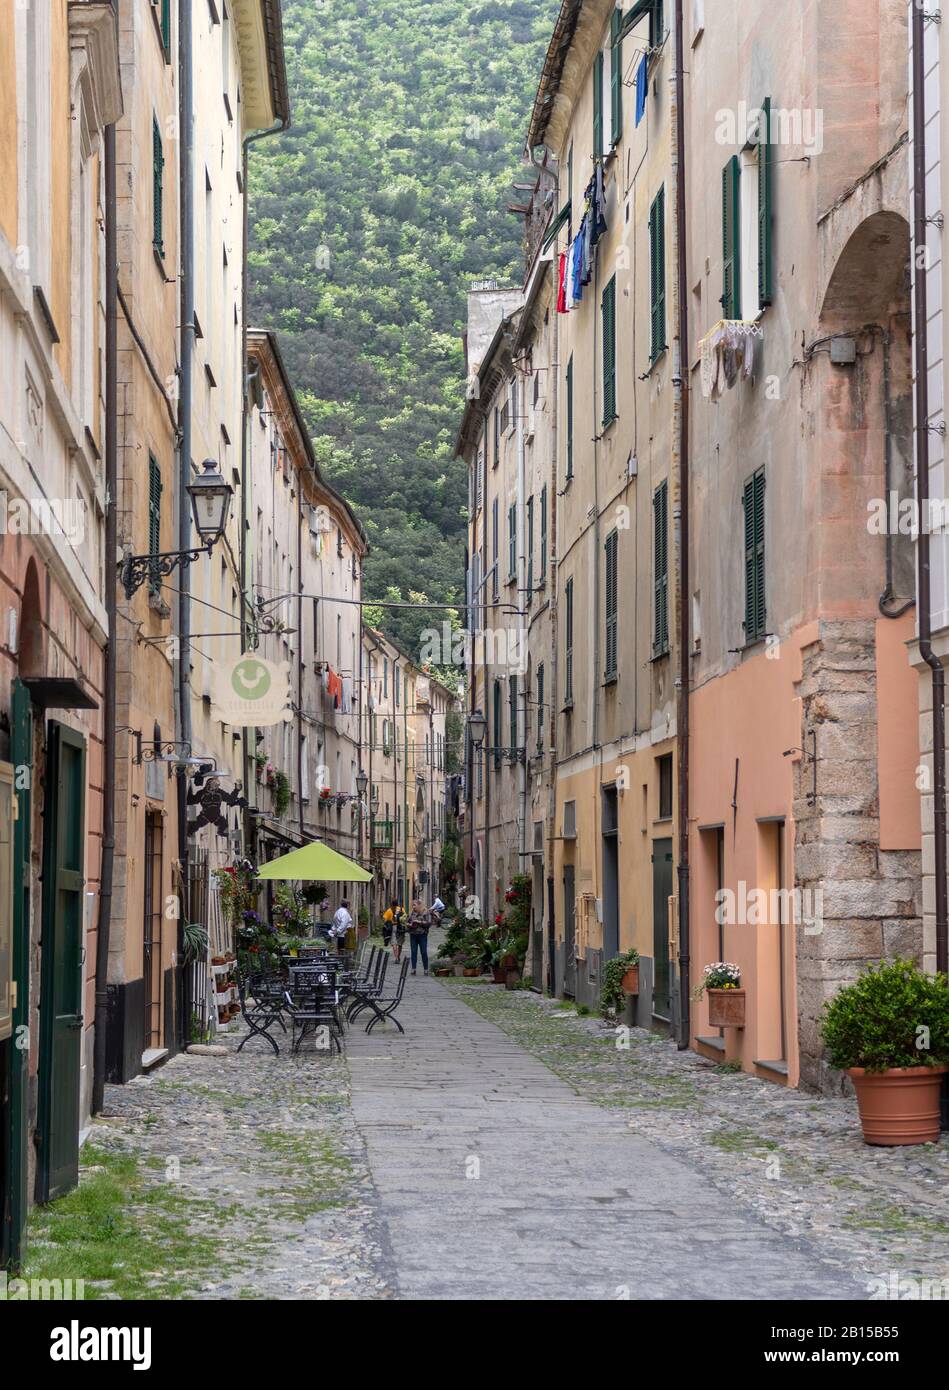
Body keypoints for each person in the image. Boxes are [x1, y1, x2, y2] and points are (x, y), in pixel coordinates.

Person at [407, 898, 433, 976]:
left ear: (419, 905)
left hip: (422, 935)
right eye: (413, 905)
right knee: (413, 952)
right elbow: (407, 922)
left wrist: (419, 922)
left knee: (423, 952)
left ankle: (426, 969)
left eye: (414, 905)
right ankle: (413, 969)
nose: (413, 907)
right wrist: (409, 925)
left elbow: (429, 923)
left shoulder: (425, 913)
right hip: (413, 935)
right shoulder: (411, 913)